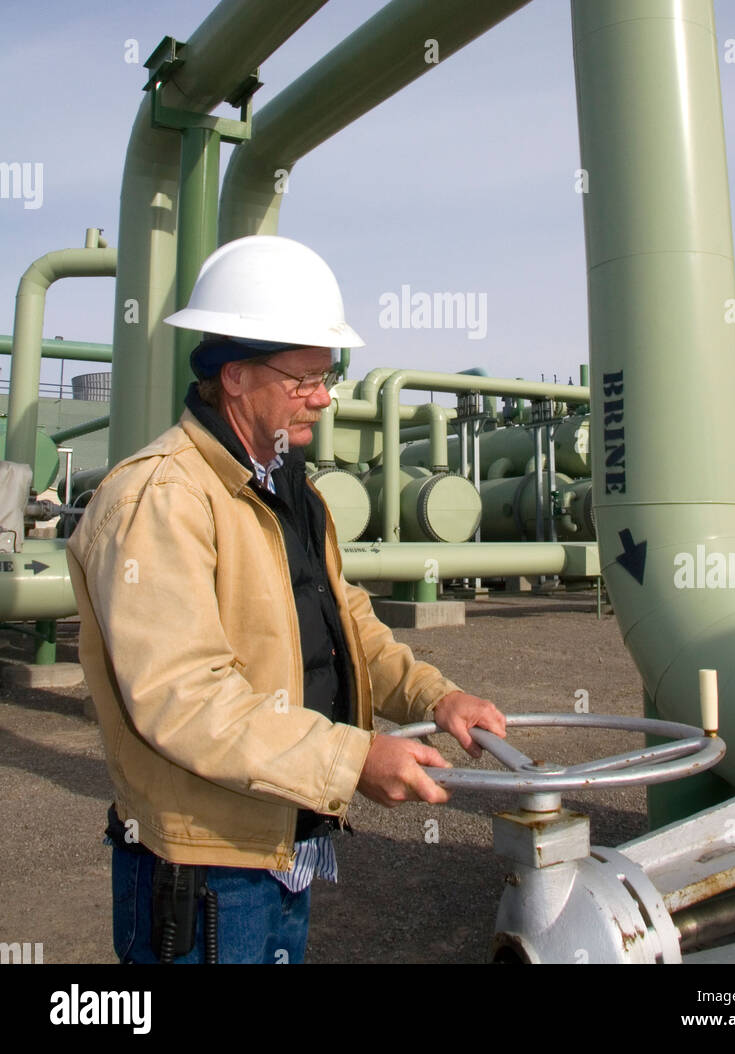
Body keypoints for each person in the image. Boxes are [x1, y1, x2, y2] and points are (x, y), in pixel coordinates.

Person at [67, 235, 506, 964]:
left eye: (326, 377)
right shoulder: (163, 499)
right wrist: (352, 760)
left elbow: (346, 623)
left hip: (286, 842)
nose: (324, 398)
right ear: (234, 377)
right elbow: (183, 697)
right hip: (206, 868)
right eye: (304, 380)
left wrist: (435, 697)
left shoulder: (289, 488)